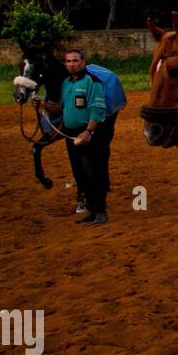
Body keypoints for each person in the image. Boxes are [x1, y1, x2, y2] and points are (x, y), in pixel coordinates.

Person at [59, 48, 111, 225]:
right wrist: (42, 105)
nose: (72, 64)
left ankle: (101, 212)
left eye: (75, 61)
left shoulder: (92, 81)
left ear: (83, 62)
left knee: (94, 172)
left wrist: (89, 131)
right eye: (68, 61)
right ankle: (91, 210)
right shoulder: (66, 83)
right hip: (70, 135)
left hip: (89, 134)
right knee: (79, 173)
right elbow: (62, 107)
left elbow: (97, 108)